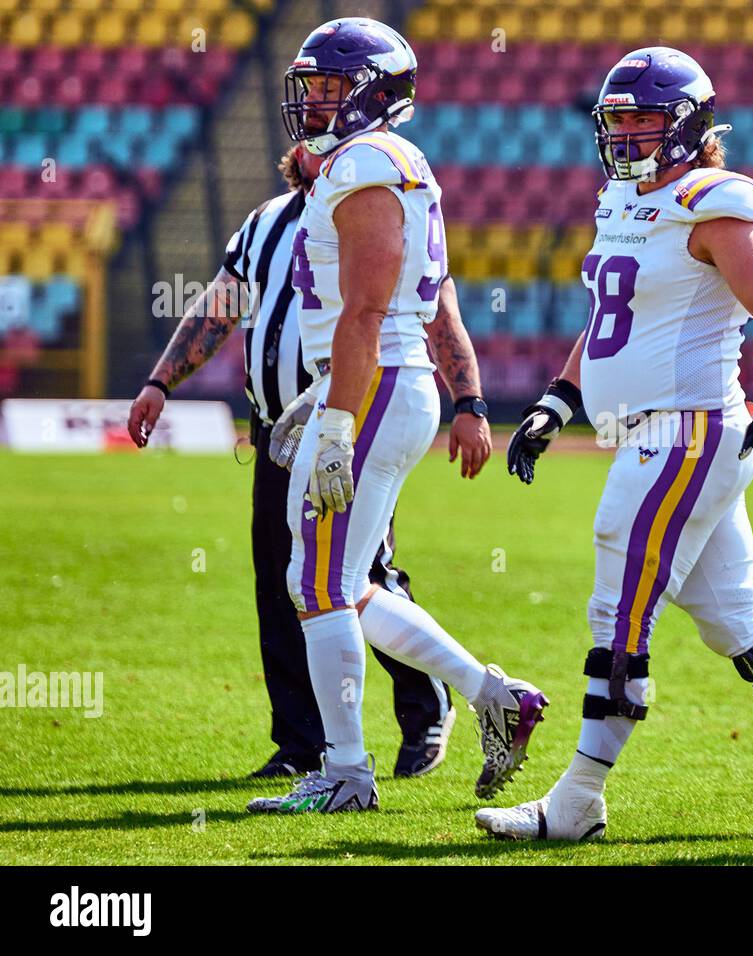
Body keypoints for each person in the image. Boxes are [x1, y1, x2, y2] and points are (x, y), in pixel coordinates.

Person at [475, 47, 753, 841]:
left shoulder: (715, 199)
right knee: (735, 619)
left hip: (691, 430)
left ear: (690, 126)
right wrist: (559, 399)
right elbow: (609, 325)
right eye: (615, 121)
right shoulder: (622, 204)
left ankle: (579, 799)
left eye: (643, 120)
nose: (625, 137)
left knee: (618, 602)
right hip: (651, 432)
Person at [247, 17, 547, 814]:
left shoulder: (369, 163)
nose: (312, 100)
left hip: (378, 386)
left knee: (313, 583)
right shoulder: (376, 161)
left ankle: (346, 771)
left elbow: (368, 310)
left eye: (328, 86)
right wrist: (330, 395)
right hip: (385, 383)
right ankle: (494, 696)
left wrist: (338, 419)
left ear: (373, 92)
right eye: (308, 85)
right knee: (344, 584)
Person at [127, 145, 464, 781]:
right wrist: (161, 380)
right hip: (278, 428)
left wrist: (469, 397)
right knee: (285, 586)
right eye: (308, 139)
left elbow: (434, 310)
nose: (318, 150)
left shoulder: (373, 209)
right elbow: (219, 307)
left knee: (359, 579)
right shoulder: (265, 222)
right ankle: (300, 748)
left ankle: (427, 707)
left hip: (350, 419)